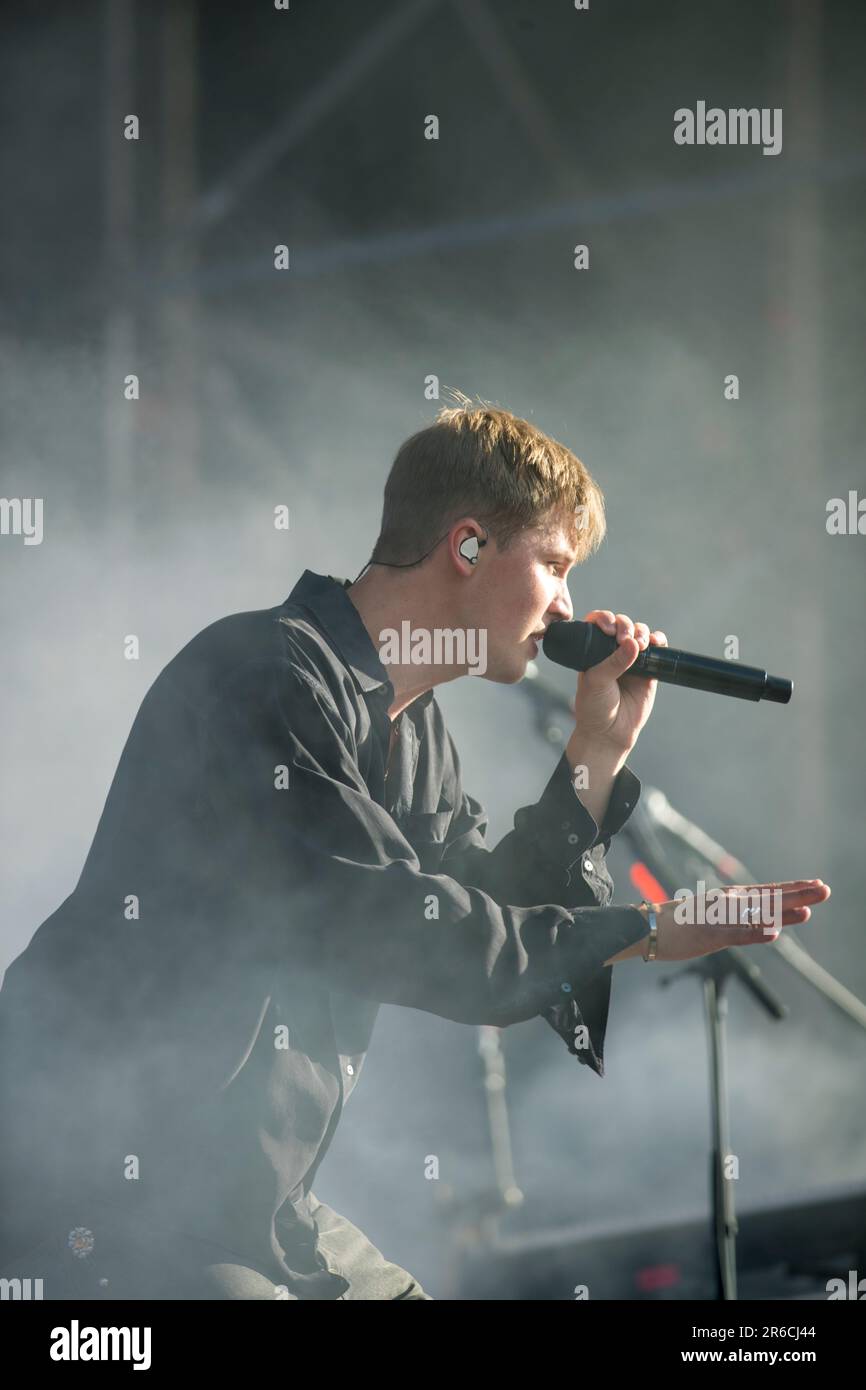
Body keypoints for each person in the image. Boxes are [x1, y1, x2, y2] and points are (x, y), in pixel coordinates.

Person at [0, 399, 830, 1301]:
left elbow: (491, 907)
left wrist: (594, 755)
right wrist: (655, 928)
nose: (568, 606)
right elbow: (407, 930)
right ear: (467, 547)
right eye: (555, 564)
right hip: (105, 1197)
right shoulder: (267, 678)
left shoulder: (415, 733)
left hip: (256, 1210)